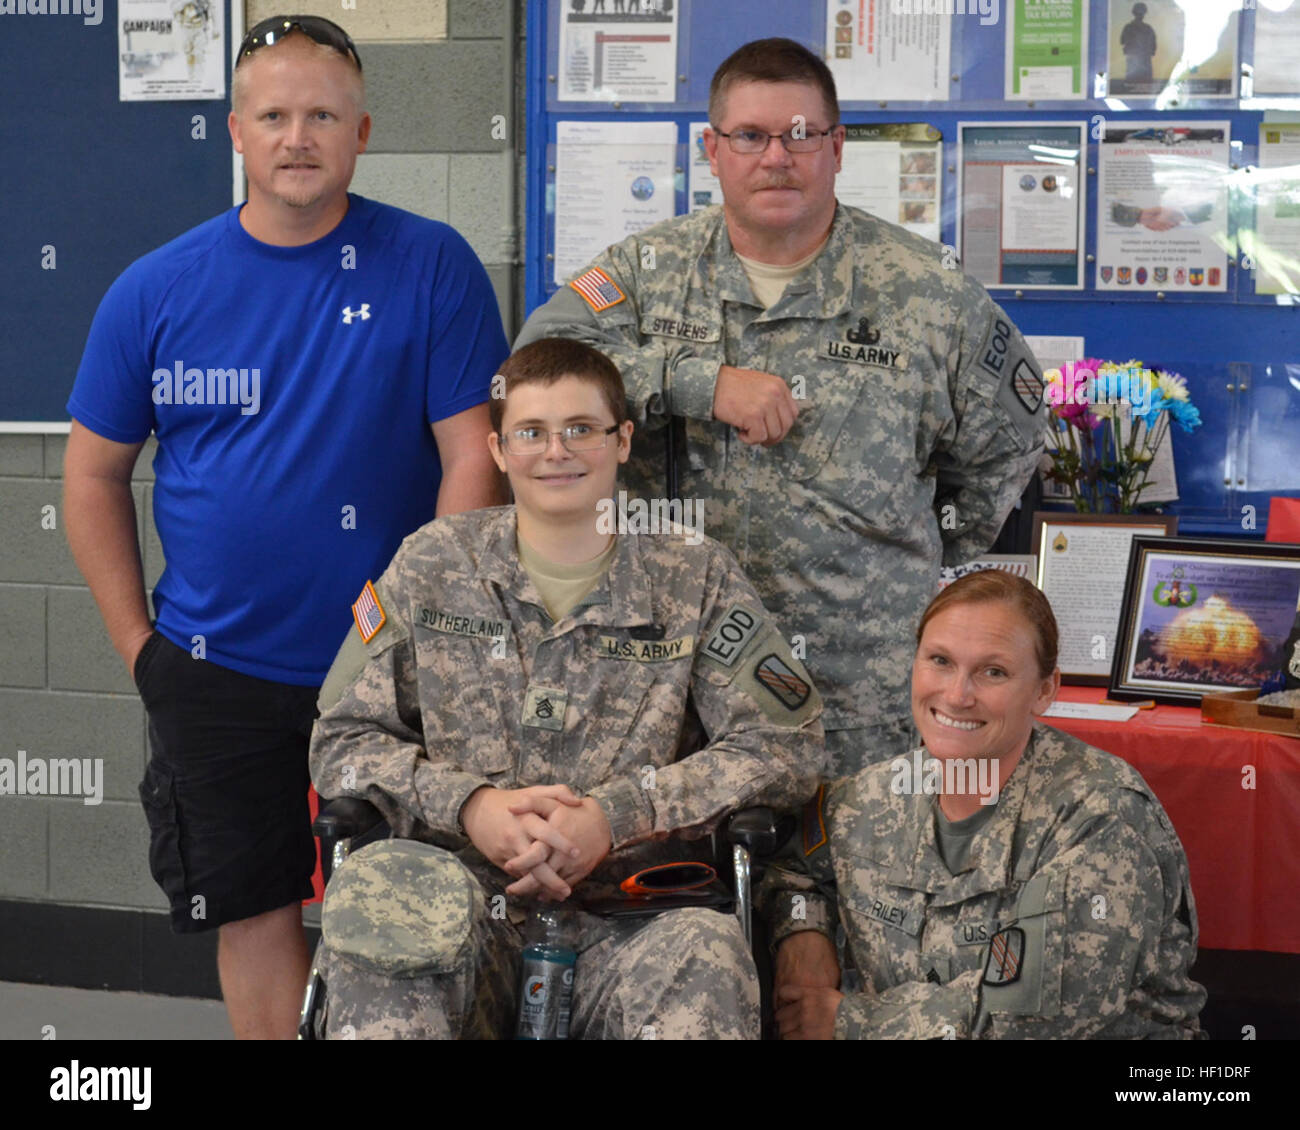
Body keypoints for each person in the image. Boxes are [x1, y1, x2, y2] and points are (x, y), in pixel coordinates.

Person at [62, 15, 508, 1039]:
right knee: (254, 910)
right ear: (235, 132)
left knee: (407, 914)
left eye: (322, 115)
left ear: (362, 132)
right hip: (213, 670)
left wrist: (412, 628)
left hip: (390, 671)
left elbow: (470, 455)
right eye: (273, 115)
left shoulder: (432, 264)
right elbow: (91, 475)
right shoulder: (154, 289)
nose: (297, 136)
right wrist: (142, 651)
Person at [516, 37, 1046, 774]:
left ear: (836, 147)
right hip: (669, 694)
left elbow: (1007, 448)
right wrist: (700, 383)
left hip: (856, 700)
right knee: (674, 890)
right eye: (751, 136)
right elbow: (529, 374)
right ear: (712, 148)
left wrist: (901, 560)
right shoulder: (646, 274)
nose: (776, 156)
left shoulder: (928, 294)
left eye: (800, 135)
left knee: (861, 886)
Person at [307, 337, 825, 1039]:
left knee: (708, 954)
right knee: (383, 905)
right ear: (497, 450)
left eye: (582, 429)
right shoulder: (432, 562)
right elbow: (341, 738)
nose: (557, 452)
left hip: (634, 922)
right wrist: (471, 806)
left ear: (623, 441)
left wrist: (616, 816)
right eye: (533, 433)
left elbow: (786, 746)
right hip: (459, 915)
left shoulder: (695, 574)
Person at [759, 570, 1207, 1039]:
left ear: (1045, 690)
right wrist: (802, 936)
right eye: (940, 661)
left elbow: (1032, 1017)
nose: (957, 695)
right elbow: (796, 872)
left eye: (993, 672)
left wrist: (847, 1023)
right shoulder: (866, 799)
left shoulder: (1101, 816)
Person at [1121, 3, 1158, 85]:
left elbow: (1122, 42)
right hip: (1140, 62)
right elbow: (1153, 47)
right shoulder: (1147, 28)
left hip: (1137, 62)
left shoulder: (1128, 27)